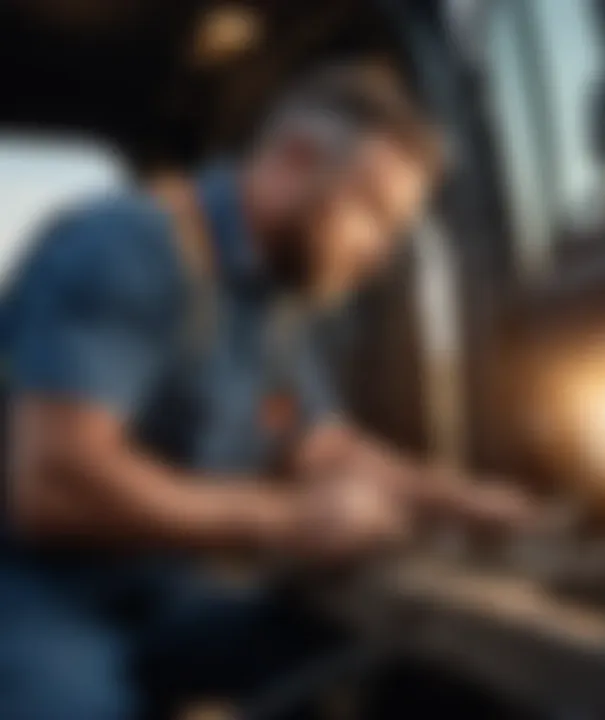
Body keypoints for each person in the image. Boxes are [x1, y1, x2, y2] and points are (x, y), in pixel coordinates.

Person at [0, 65, 532, 719]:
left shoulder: (274, 301)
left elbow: (320, 446)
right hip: (34, 591)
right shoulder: (128, 247)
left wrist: (458, 500)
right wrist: (289, 521)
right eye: (373, 213)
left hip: (157, 588)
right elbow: (53, 486)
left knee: (375, 657)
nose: (380, 255)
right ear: (292, 161)